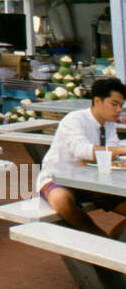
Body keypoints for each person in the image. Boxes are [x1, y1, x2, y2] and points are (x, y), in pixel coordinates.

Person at [38, 78, 126, 238]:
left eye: (121, 105)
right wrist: (119, 149)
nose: (119, 110)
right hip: (59, 179)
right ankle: (100, 239)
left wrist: (117, 151)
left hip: (93, 181)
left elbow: (113, 150)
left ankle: (115, 242)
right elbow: (82, 151)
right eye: (114, 104)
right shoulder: (74, 119)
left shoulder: (109, 124)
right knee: (61, 200)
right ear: (97, 101)